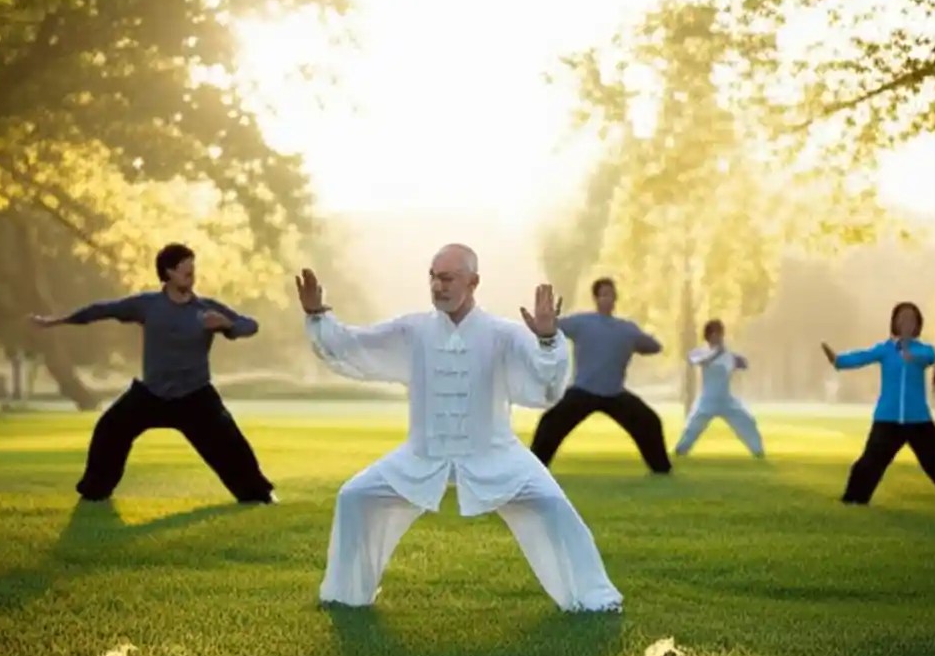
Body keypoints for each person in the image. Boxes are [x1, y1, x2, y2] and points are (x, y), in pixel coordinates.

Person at [301, 244, 622, 612]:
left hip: (496, 455)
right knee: (354, 497)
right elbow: (354, 344)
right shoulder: (413, 329)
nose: (438, 286)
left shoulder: (503, 333)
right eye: (433, 277)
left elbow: (546, 382)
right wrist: (316, 316)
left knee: (552, 505)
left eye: (448, 278)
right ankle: (346, 595)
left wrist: (548, 340)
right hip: (420, 455)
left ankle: (594, 599)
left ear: (473, 282)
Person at [30, 243, 276, 504]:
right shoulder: (147, 305)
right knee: (110, 429)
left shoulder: (205, 308)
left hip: (195, 396)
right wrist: (56, 321)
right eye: (186, 273)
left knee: (230, 444)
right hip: (152, 394)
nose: (192, 278)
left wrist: (227, 324)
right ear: (168, 272)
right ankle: (94, 492)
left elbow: (250, 325)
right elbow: (102, 310)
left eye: (194, 272)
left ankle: (259, 494)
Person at [821, 302, 935, 507]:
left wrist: (911, 354)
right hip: (888, 418)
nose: (907, 322)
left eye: (911, 319)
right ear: (895, 322)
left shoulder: (923, 350)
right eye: (902, 318)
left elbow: (931, 357)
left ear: (918, 324)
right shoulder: (885, 349)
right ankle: (853, 499)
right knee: (869, 462)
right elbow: (861, 357)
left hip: (918, 419)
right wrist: (837, 360)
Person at [528, 277, 671, 473]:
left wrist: (643, 342)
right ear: (596, 298)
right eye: (604, 295)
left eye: (611, 295)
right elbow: (549, 329)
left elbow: (653, 347)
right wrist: (545, 319)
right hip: (584, 391)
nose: (608, 299)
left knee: (649, 421)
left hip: (614, 393)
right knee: (550, 423)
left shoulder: (626, 329)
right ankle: (533, 471)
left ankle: (661, 470)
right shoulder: (582, 322)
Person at [674, 319, 764, 458]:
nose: (719, 337)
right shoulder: (701, 352)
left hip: (725, 400)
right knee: (693, 427)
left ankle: (758, 451)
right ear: (709, 336)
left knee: (746, 422)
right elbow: (698, 361)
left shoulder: (727, 355)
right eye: (716, 334)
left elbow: (743, 364)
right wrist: (718, 353)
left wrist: (736, 358)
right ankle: (681, 450)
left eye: (721, 334)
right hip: (707, 400)